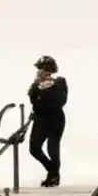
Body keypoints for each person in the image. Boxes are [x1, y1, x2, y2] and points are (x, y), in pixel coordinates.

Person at [28, 55, 69, 187]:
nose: (42, 72)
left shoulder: (59, 81)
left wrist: (47, 87)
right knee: (34, 148)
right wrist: (36, 85)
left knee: (53, 147)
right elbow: (33, 101)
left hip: (55, 118)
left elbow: (60, 101)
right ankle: (52, 170)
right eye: (40, 69)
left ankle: (54, 176)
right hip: (40, 118)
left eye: (44, 69)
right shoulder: (36, 85)